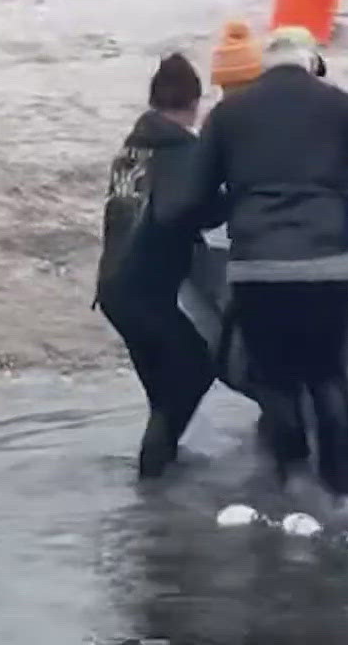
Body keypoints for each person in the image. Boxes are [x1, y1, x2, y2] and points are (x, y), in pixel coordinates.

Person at [157, 27, 348, 497]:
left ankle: (293, 494)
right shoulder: (342, 106)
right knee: (329, 378)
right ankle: (346, 501)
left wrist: (239, 207)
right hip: (328, 266)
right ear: (313, 63)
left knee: (278, 383)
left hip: (257, 271)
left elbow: (187, 201)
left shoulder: (229, 114)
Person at [97, 54, 220, 479]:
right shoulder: (181, 149)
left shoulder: (132, 147)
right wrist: (231, 203)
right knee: (198, 368)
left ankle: (160, 468)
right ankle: (154, 474)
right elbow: (184, 211)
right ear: (195, 101)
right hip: (146, 292)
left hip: (113, 288)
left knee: (164, 389)